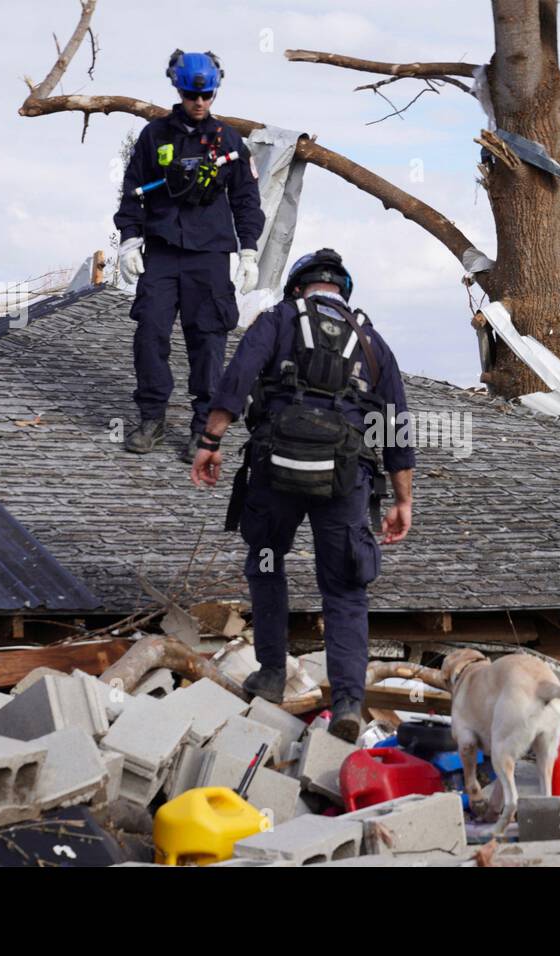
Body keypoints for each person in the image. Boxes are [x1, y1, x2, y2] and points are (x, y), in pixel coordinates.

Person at [190, 249, 414, 742]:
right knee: (346, 588)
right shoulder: (373, 343)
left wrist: (210, 442)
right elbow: (396, 424)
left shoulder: (278, 321)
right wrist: (403, 499)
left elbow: (237, 377)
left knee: (267, 560)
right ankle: (349, 701)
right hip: (345, 479)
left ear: (298, 288)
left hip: (276, 471)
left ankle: (271, 674)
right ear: (343, 293)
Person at [114, 49, 265, 462]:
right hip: (161, 252)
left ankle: (203, 428)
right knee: (150, 334)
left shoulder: (230, 142)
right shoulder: (154, 136)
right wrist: (129, 238)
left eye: (207, 96)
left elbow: (247, 201)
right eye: (191, 95)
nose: (199, 103)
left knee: (208, 341)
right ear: (178, 89)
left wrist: (249, 250)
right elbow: (132, 191)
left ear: (215, 92)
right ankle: (151, 419)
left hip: (211, 256)